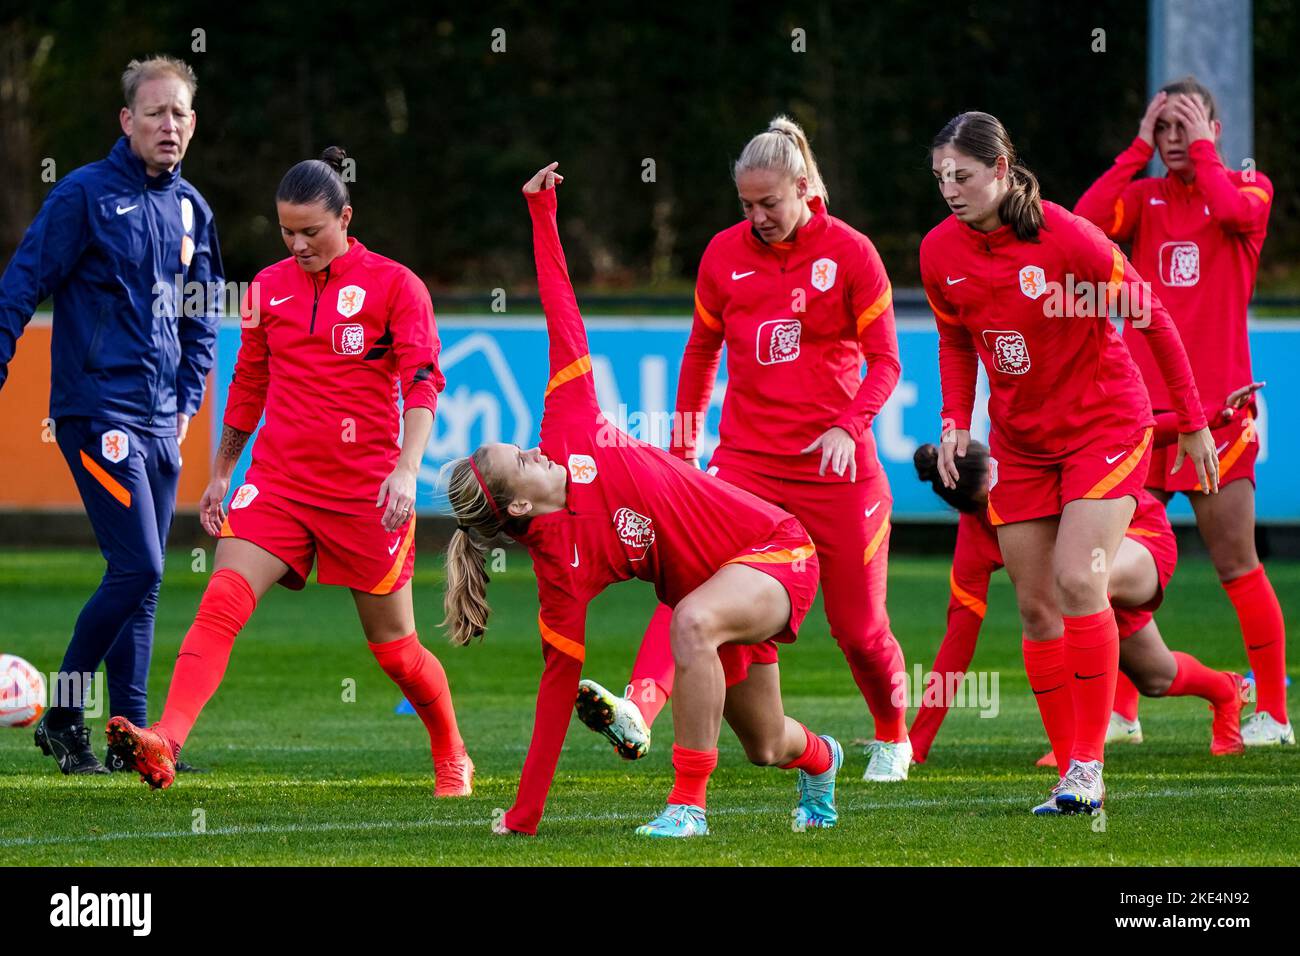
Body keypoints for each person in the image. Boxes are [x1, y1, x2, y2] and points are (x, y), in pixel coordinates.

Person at [444, 162, 841, 838]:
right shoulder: (559, 572)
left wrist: (542, 214)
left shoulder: (568, 422)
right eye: (518, 460)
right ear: (513, 508)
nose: (531, 449)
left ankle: (688, 808)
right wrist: (524, 816)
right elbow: (554, 697)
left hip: (779, 548)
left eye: (519, 444)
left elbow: (560, 309)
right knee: (768, 744)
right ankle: (824, 762)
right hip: (722, 592)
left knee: (688, 622)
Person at [105, 148, 472, 795]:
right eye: (287, 232)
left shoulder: (395, 286)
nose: (298, 245)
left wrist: (408, 470)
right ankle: (165, 738)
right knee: (220, 602)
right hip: (278, 483)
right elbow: (249, 382)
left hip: (366, 493)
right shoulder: (269, 287)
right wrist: (222, 471)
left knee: (396, 654)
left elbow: (422, 380)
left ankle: (450, 750)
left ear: (346, 218)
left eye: (312, 231)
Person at [571, 115, 912, 781]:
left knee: (859, 630)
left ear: (806, 188)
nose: (758, 217)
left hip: (837, 470)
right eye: (746, 205)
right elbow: (701, 353)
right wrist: (682, 447)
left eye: (770, 203)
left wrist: (850, 424)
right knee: (692, 582)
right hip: (748, 466)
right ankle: (639, 707)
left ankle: (893, 735)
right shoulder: (723, 255)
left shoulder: (852, 254)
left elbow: (887, 363)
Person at [921, 111, 1218, 816]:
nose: (951, 190)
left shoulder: (1066, 238)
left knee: (1077, 578)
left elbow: (1152, 318)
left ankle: (1088, 766)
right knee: (1034, 605)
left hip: (1105, 427)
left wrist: (1196, 425)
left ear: (1000, 169)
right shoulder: (939, 252)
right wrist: (954, 421)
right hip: (1022, 444)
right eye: (940, 179)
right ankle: (1068, 781)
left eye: (962, 176)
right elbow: (957, 342)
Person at [0, 56, 220, 775]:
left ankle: (132, 735)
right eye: (154, 112)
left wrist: (188, 400)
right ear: (126, 122)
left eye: (179, 113)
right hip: (99, 411)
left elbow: (201, 317)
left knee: (145, 580)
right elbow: (24, 280)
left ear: (192, 122)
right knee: (139, 565)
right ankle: (64, 715)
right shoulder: (85, 195)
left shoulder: (193, 209)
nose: (168, 124)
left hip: (163, 419)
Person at [1074, 77, 1290, 747]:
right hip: (1142, 418)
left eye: (1184, 127)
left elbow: (1230, 212)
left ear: (1213, 132)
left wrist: (1203, 151)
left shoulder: (1249, 189)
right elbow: (1082, 227)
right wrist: (1133, 149)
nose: (1173, 141)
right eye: (1163, 128)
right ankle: (1121, 712)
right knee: (1108, 563)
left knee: (1236, 562)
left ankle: (1274, 715)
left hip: (1218, 416)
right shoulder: (1141, 199)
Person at [907, 419, 1249, 767]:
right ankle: (1226, 691)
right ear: (970, 511)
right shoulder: (974, 540)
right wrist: (915, 743)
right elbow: (958, 643)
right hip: (1082, 585)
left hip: (1139, 540)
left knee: (1066, 588)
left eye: (999, 482)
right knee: (1157, 677)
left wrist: (1202, 420)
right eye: (987, 500)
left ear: (996, 461)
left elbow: (1129, 431)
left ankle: (1077, 751)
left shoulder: (1040, 464)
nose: (999, 498)